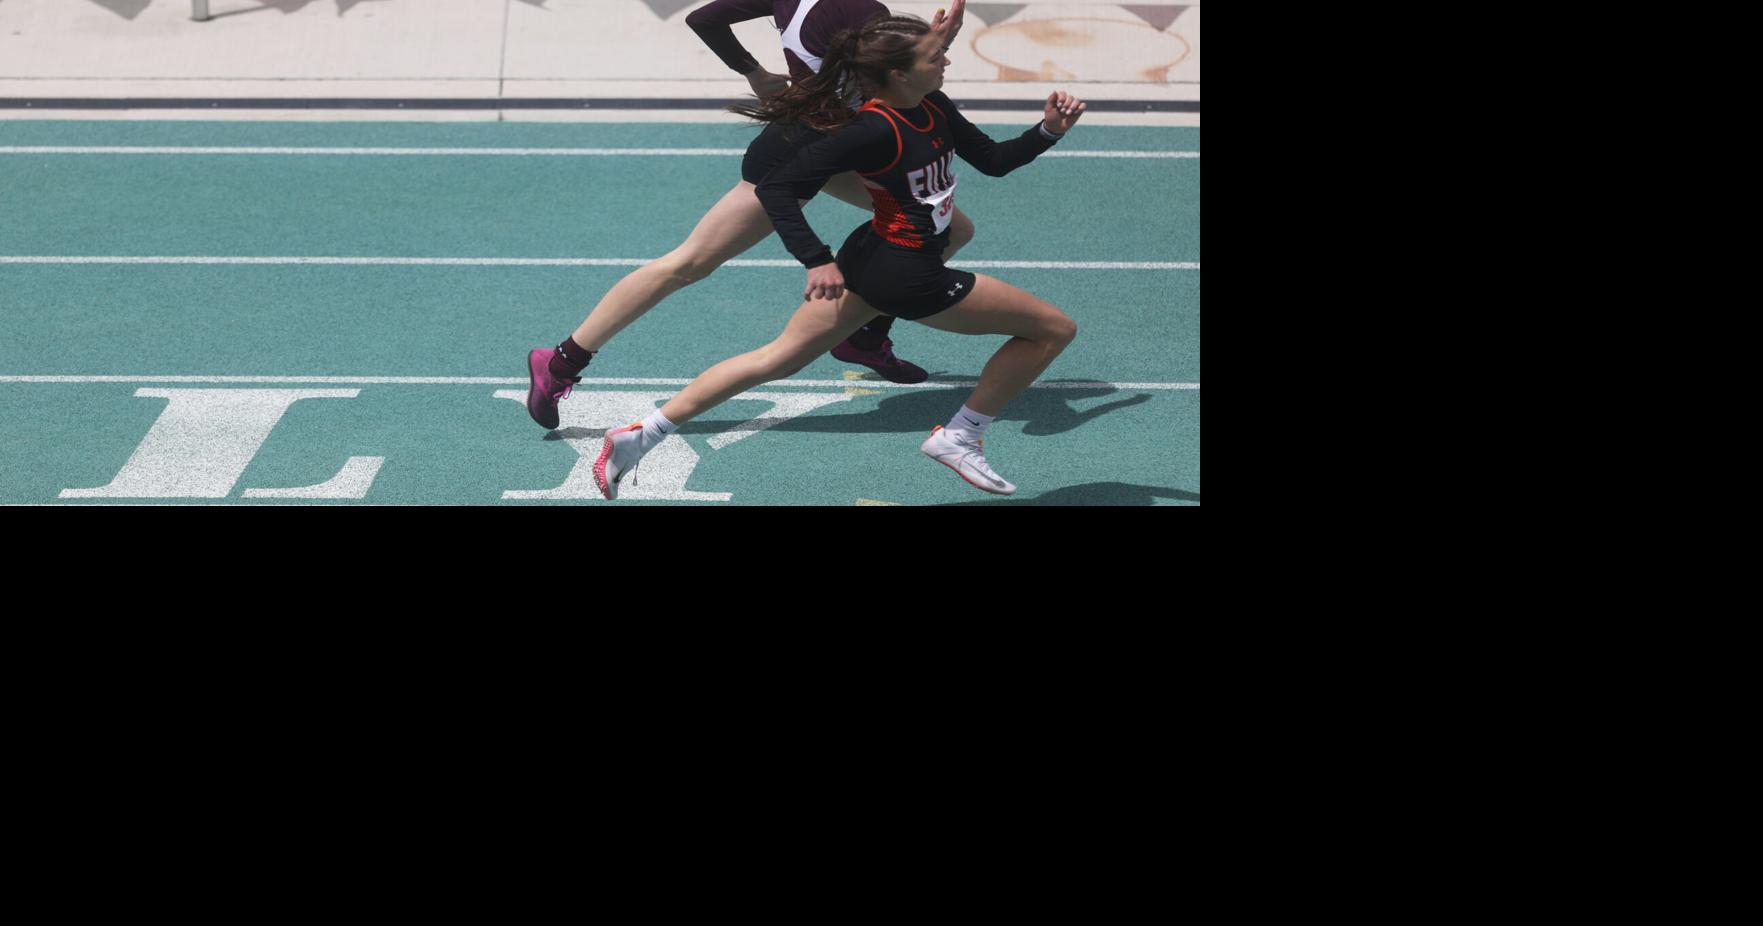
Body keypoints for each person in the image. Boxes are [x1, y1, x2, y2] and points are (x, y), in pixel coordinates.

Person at [592, 11, 1084, 499]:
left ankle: (638, 437)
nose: (947, 61)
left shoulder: (933, 105)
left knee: (774, 360)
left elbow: (994, 161)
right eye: (935, 56)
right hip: (908, 274)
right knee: (1052, 329)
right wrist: (815, 259)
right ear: (897, 73)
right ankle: (961, 436)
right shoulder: (868, 130)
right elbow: (779, 189)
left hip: (872, 257)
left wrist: (1048, 131)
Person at [523, 0, 975, 430]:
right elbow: (889, 85)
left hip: (842, 146)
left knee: (950, 229)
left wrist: (755, 74)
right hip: (796, 153)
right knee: (688, 264)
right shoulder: (861, 11)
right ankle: (561, 361)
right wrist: (934, 48)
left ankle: (864, 337)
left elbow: (704, 19)